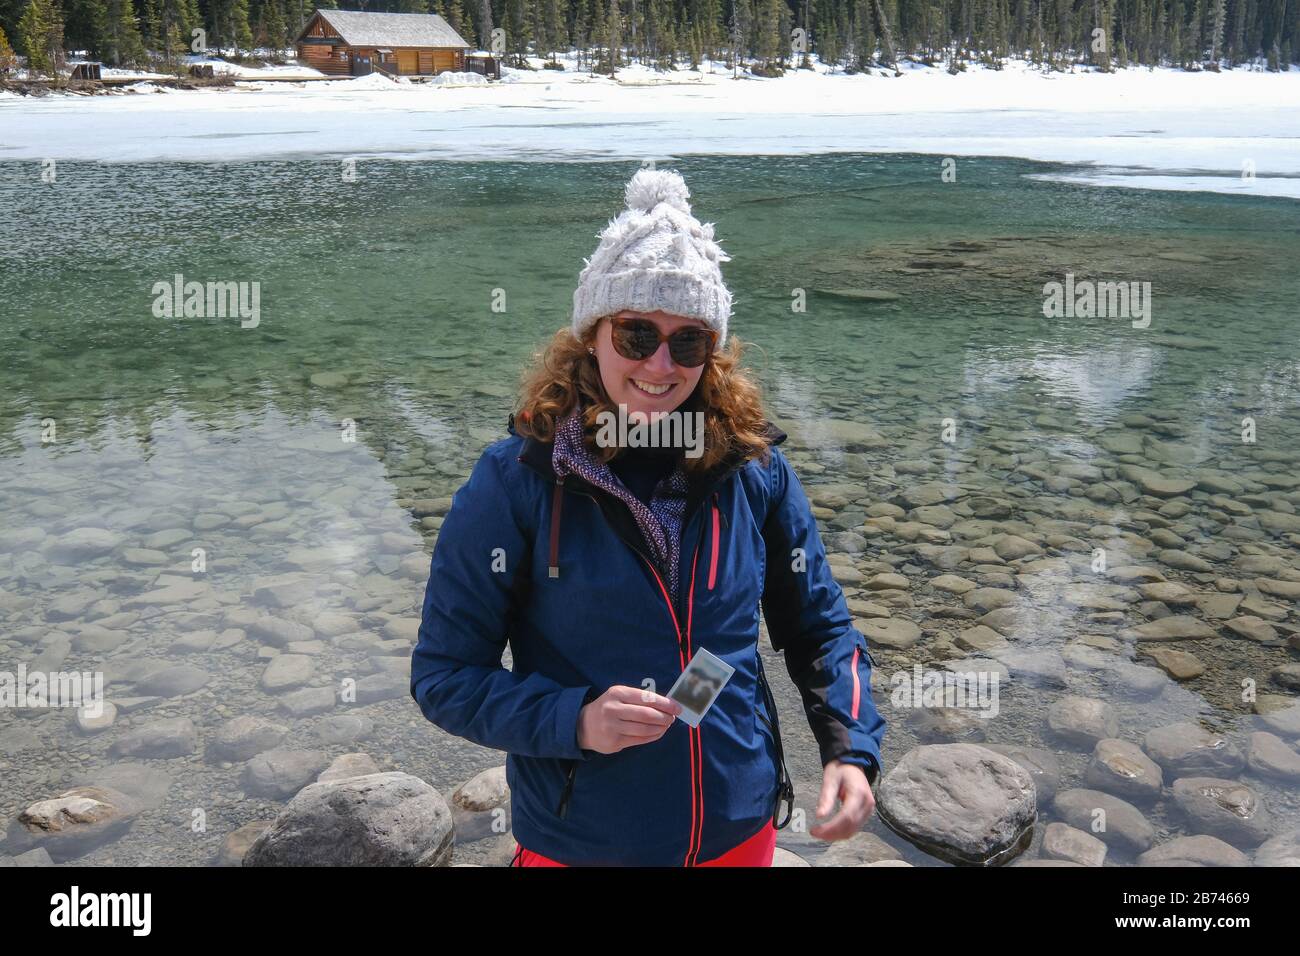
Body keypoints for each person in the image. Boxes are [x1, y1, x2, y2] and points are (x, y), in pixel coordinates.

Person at [410, 167, 886, 867]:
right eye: (637, 334)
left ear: (711, 352)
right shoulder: (518, 481)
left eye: (688, 341)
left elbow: (820, 628)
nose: (661, 364)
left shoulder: (751, 469)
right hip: (582, 844)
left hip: (738, 828)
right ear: (592, 335)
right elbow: (445, 677)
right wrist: (576, 720)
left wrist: (850, 749)